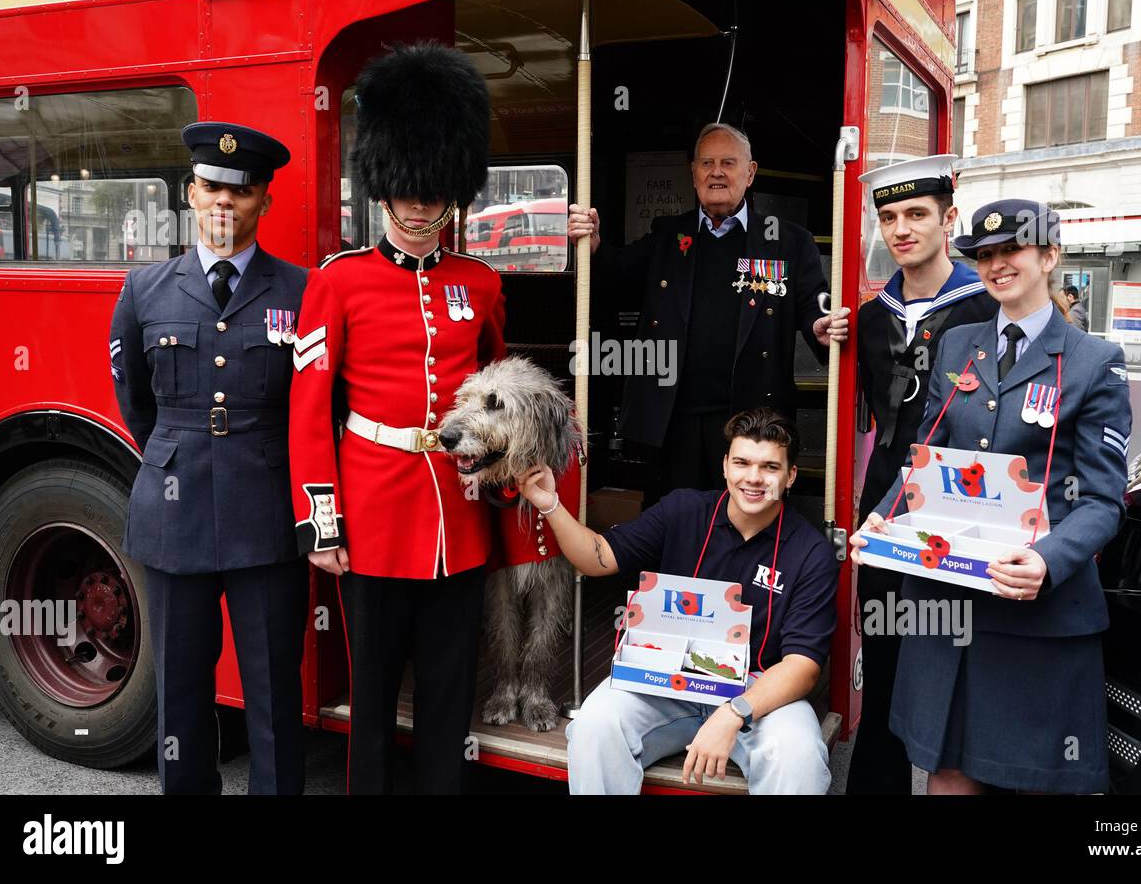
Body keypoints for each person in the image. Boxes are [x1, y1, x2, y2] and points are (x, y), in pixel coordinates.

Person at [851, 199, 1131, 794]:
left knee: (1028, 778)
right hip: (948, 599)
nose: (996, 265)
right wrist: (882, 517)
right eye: (984, 255)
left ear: (1049, 256)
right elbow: (924, 457)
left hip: (1033, 604)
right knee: (946, 772)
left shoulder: (1094, 362)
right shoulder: (958, 346)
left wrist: (1048, 561)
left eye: (1012, 251)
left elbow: (1104, 500)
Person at [287, 43, 503, 794]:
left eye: (432, 191)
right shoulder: (340, 281)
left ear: (453, 193)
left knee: (449, 696)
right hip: (372, 512)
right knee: (373, 700)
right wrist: (322, 524)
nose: (418, 207)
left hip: (459, 517)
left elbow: (500, 396)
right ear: (383, 190)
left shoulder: (479, 283)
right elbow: (311, 411)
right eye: (407, 192)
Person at [109, 121, 309, 794]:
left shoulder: (302, 292)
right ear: (190, 195)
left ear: (264, 202)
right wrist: (178, 455)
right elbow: (137, 401)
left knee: (275, 692)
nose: (224, 203)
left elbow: (318, 406)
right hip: (175, 513)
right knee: (181, 691)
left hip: (268, 515)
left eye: (241, 191)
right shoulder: (145, 290)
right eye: (210, 188)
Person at [519, 408, 838, 794]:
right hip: (666, 681)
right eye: (742, 463)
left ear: (790, 476)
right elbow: (597, 556)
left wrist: (733, 714)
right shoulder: (683, 510)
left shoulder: (811, 553)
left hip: (758, 694)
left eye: (770, 467)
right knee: (594, 725)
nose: (753, 478)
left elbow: (803, 666)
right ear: (724, 466)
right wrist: (550, 503)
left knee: (800, 755)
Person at [568, 124, 848, 502]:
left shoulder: (788, 240)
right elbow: (618, 277)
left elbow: (814, 306)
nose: (716, 171)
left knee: (746, 530)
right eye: (707, 163)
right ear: (694, 172)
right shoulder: (669, 234)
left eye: (728, 163)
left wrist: (820, 327)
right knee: (675, 526)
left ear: (749, 173)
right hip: (674, 420)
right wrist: (595, 244)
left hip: (753, 421)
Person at [846, 155, 998, 796]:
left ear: (948, 218)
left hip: (965, 513)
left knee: (964, 668)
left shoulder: (986, 305)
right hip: (886, 509)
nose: (901, 229)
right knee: (883, 660)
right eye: (888, 218)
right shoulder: (870, 319)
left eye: (916, 214)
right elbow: (866, 417)